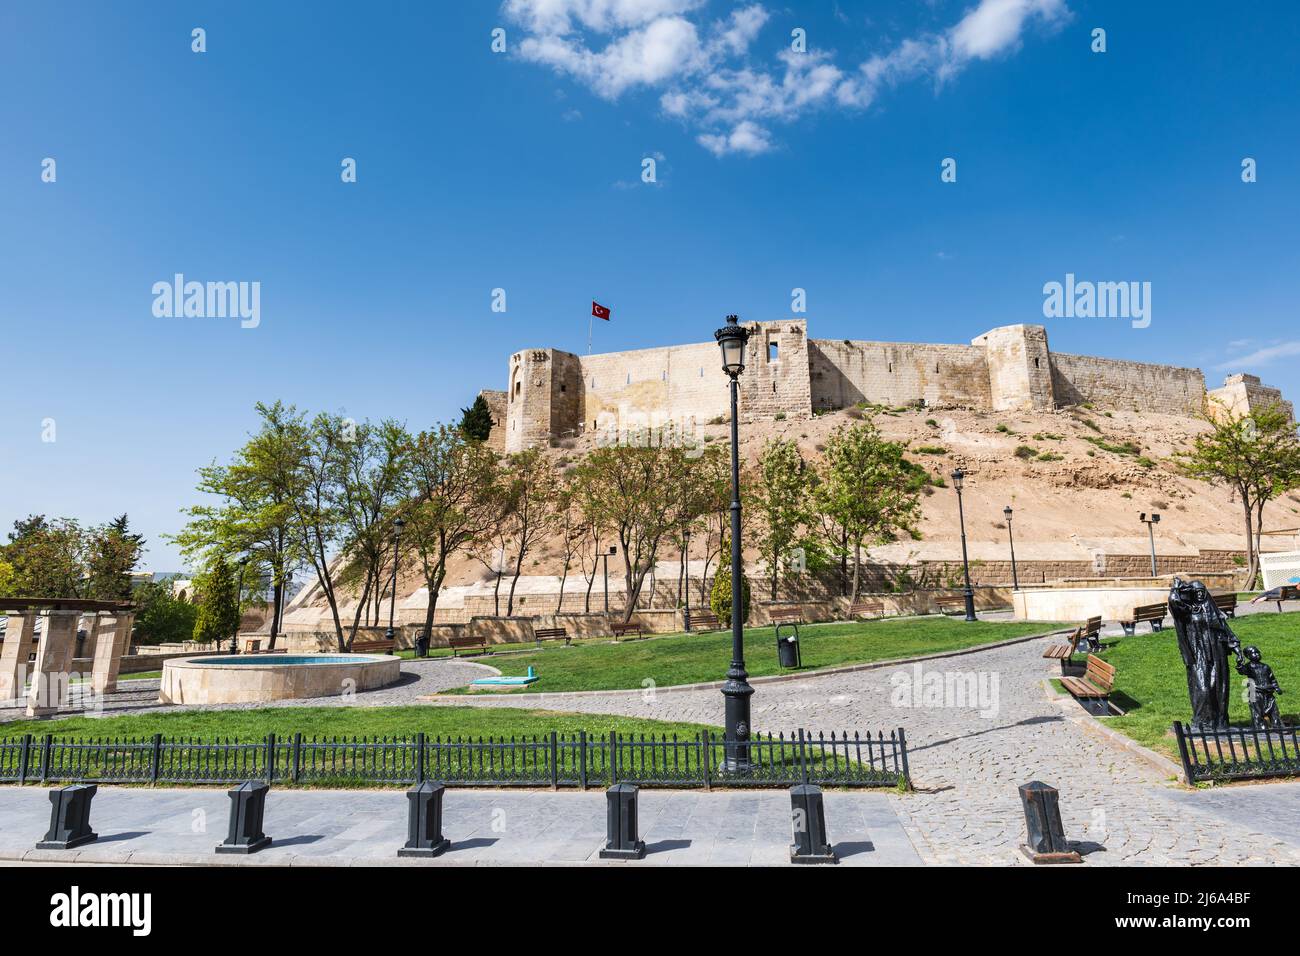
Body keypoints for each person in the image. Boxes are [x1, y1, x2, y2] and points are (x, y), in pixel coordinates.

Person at [1167, 578, 1241, 731]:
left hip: (1217, 652)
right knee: (1203, 687)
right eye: (1197, 593)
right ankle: (1203, 722)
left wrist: (1237, 649)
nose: (1200, 595)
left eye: (1202, 592)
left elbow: (1224, 628)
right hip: (1198, 654)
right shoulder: (1187, 610)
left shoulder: (1211, 609)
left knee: (1220, 688)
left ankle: (1220, 722)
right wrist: (1176, 588)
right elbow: (1174, 602)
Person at [1235, 645, 1284, 729]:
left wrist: (1277, 688)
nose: (1257, 654)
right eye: (1254, 653)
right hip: (1255, 693)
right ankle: (1259, 726)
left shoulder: (1265, 666)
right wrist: (1239, 664)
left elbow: (1272, 678)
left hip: (1268, 693)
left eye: (1258, 652)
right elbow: (1242, 671)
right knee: (1257, 711)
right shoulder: (1249, 666)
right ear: (1249, 656)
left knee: (1273, 710)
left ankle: (1277, 725)